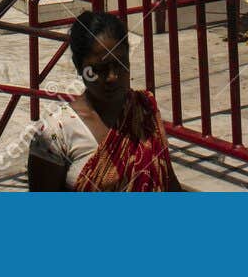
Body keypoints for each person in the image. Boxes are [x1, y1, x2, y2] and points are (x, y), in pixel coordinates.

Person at [27, 10, 181, 191]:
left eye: (120, 64)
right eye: (99, 69)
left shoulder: (144, 109)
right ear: (79, 67)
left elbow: (168, 181)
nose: (112, 77)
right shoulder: (55, 135)